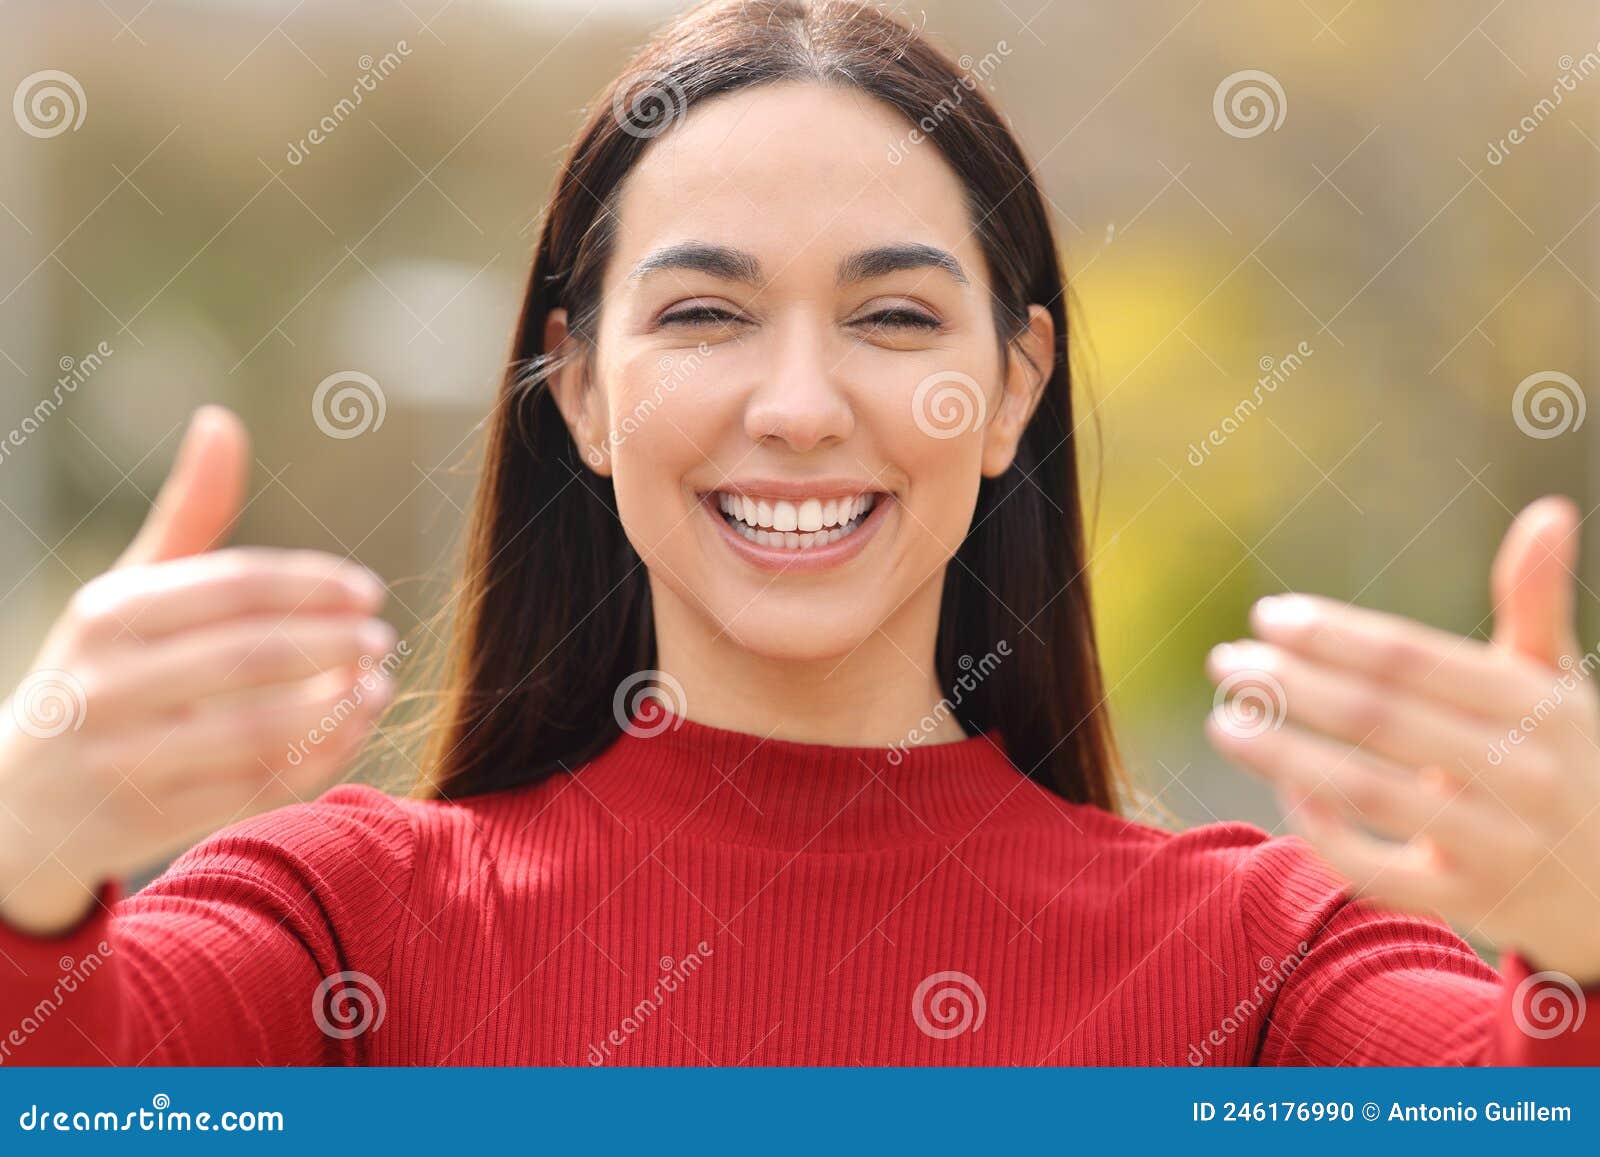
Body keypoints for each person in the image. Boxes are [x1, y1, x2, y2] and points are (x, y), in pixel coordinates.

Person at [0, 0, 1595, 1066]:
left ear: (1014, 385)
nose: (801, 403)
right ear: (579, 389)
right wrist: (23, 861)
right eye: (705, 311)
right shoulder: (345, 933)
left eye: (896, 314)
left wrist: (1585, 930)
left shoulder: (1257, 971)